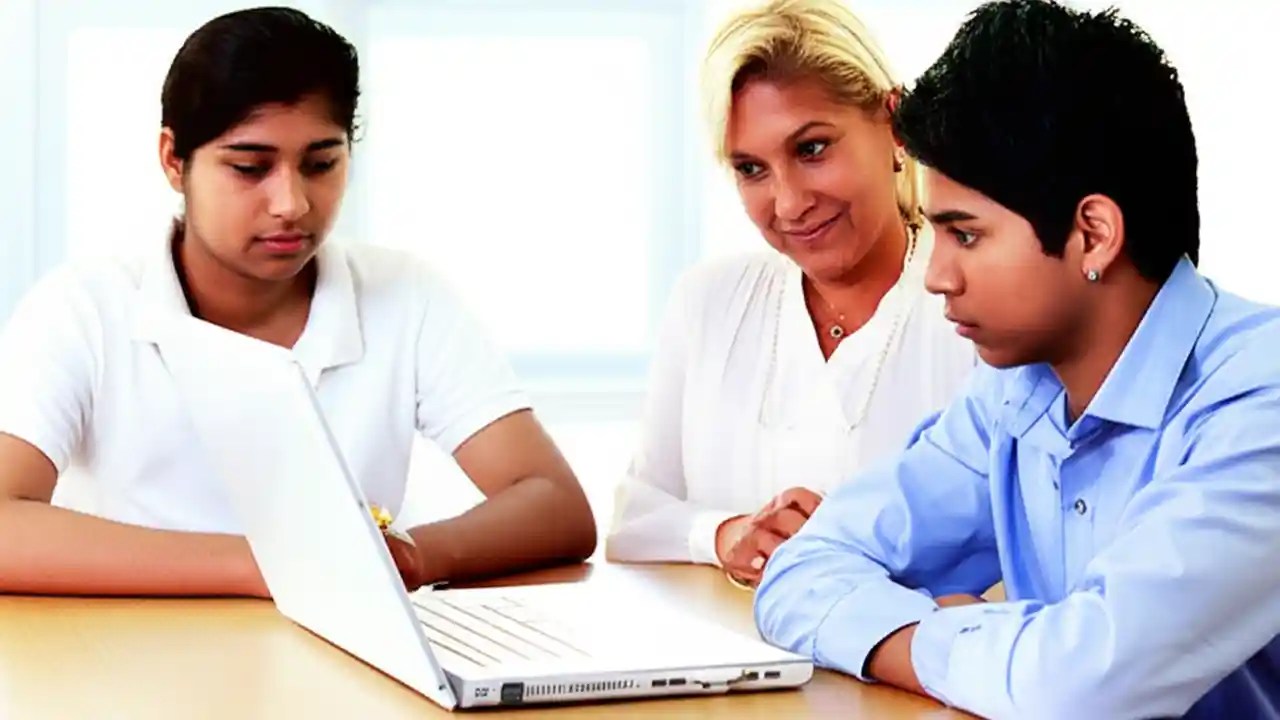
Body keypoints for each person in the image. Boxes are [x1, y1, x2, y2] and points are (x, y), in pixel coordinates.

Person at [754, 1, 1280, 717]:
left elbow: (1080, 685)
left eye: (964, 235)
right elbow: (799, 573)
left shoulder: (1260, 400)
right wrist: (988, 644)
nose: (936, 274)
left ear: (1093, 234)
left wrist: (931, 632)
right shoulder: (1015, 393)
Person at [0, 7, 596, 597]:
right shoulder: (83, 308)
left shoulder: (404, 296)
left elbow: (555, 502)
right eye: (249, 167)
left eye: (320, 164)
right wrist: (271, 566)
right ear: (173, 162)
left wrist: (407, 558)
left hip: (341, 660)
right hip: (119, 664)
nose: (292, 203)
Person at [604, 0, 976, 586]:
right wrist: (728, 534)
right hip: (731, 666)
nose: (789, 203)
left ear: (895, 125)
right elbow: (634, 522)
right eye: (751, 169)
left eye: (811, 149)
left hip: (901, 671)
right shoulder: (708, 301)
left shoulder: (973, 303)